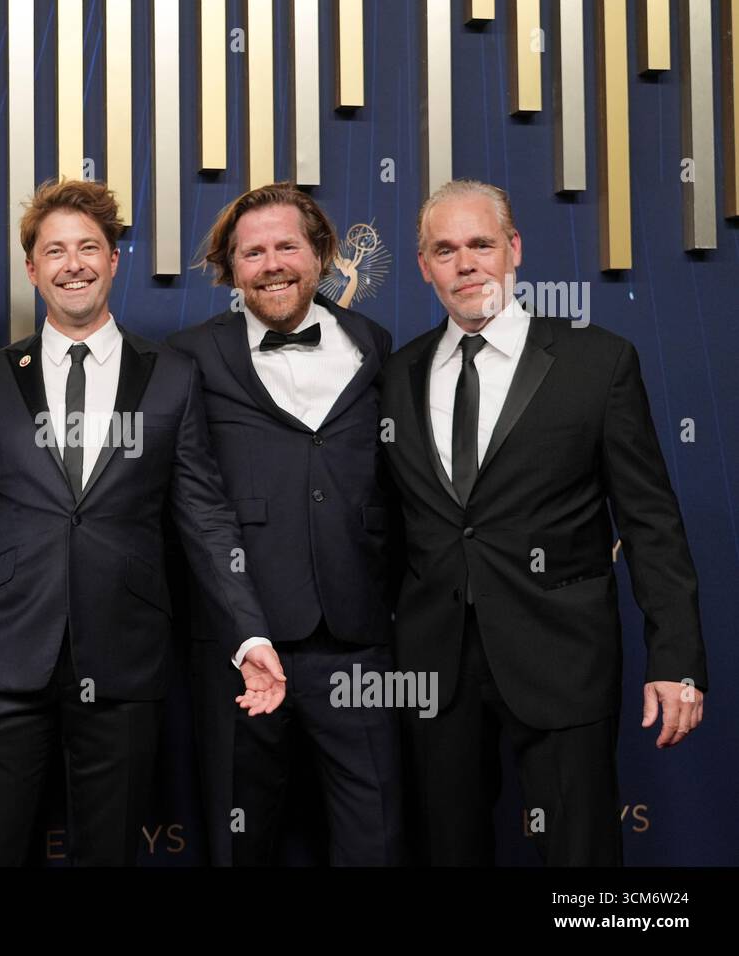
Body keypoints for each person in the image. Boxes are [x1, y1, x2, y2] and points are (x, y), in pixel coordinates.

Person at [0, 178, 283, 865]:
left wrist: (249, 637)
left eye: (89, 247)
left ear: (114, 259)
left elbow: (205, 517)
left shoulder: (172, 376)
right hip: (5, 657)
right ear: (32, 268)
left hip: (125, 655)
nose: (74, 264)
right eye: (55, 250)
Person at [381, 178, 707, 866]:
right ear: (424, 266)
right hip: (433, 666)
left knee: (579, 857)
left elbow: (649, 520)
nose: (465, 263)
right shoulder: (396, 374)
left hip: (563, 656)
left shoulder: (597, 361)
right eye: (445, 249)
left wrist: (675, 660)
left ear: (514, 250)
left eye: (480, 244)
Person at [168, 183, 403, 866]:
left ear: (322, 253)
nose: (271, 264)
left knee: (377, 840)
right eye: (252, 252)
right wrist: (241, 633)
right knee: (241, 842)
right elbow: (190, 500)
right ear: (230, 267)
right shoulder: (190, 356)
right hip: (241, 646)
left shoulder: (373, 343)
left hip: (358, 641)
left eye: (286, 246)